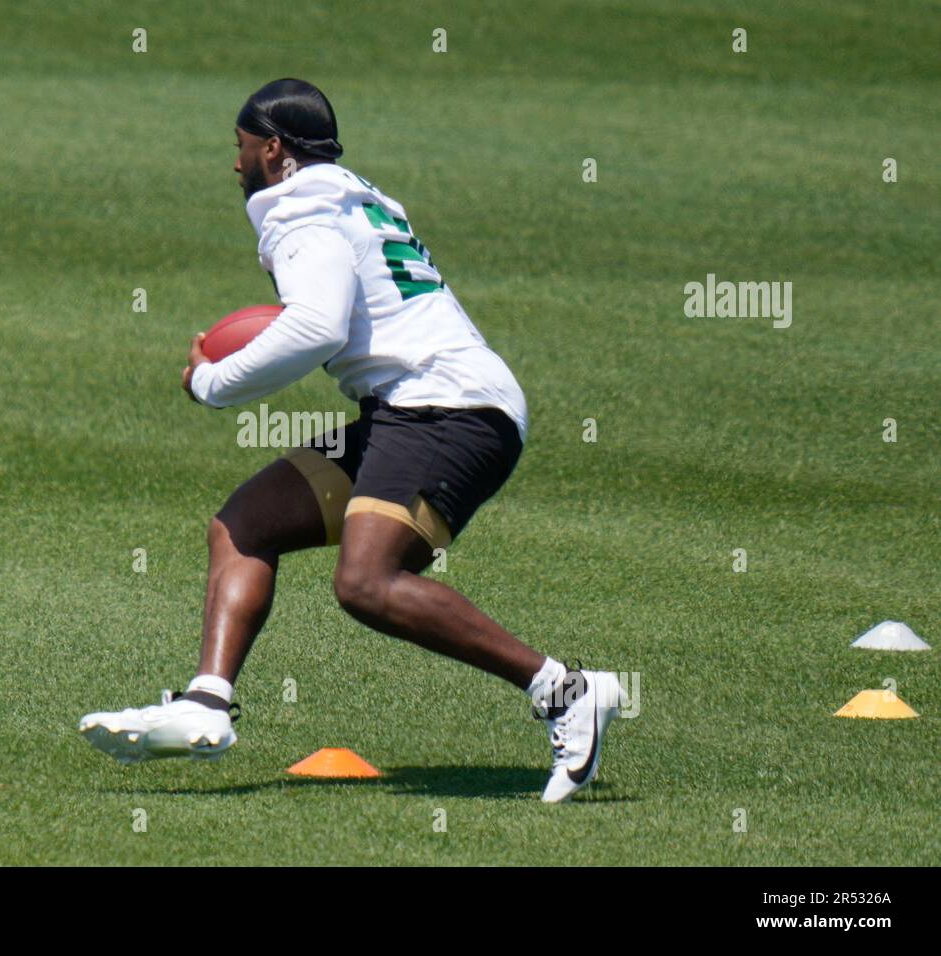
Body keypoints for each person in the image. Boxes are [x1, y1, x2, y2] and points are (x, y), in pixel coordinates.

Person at [80, 78, 624, 802]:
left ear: (273, 149)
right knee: (245, 525)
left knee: (367, 583)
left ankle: (564, 690)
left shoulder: (296, 208)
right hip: (414, 404)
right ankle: (205, 704)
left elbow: (317, 327)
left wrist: (214, 383)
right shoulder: (346, 195)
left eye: (239, 148)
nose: (233, 165)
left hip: (445, 407)